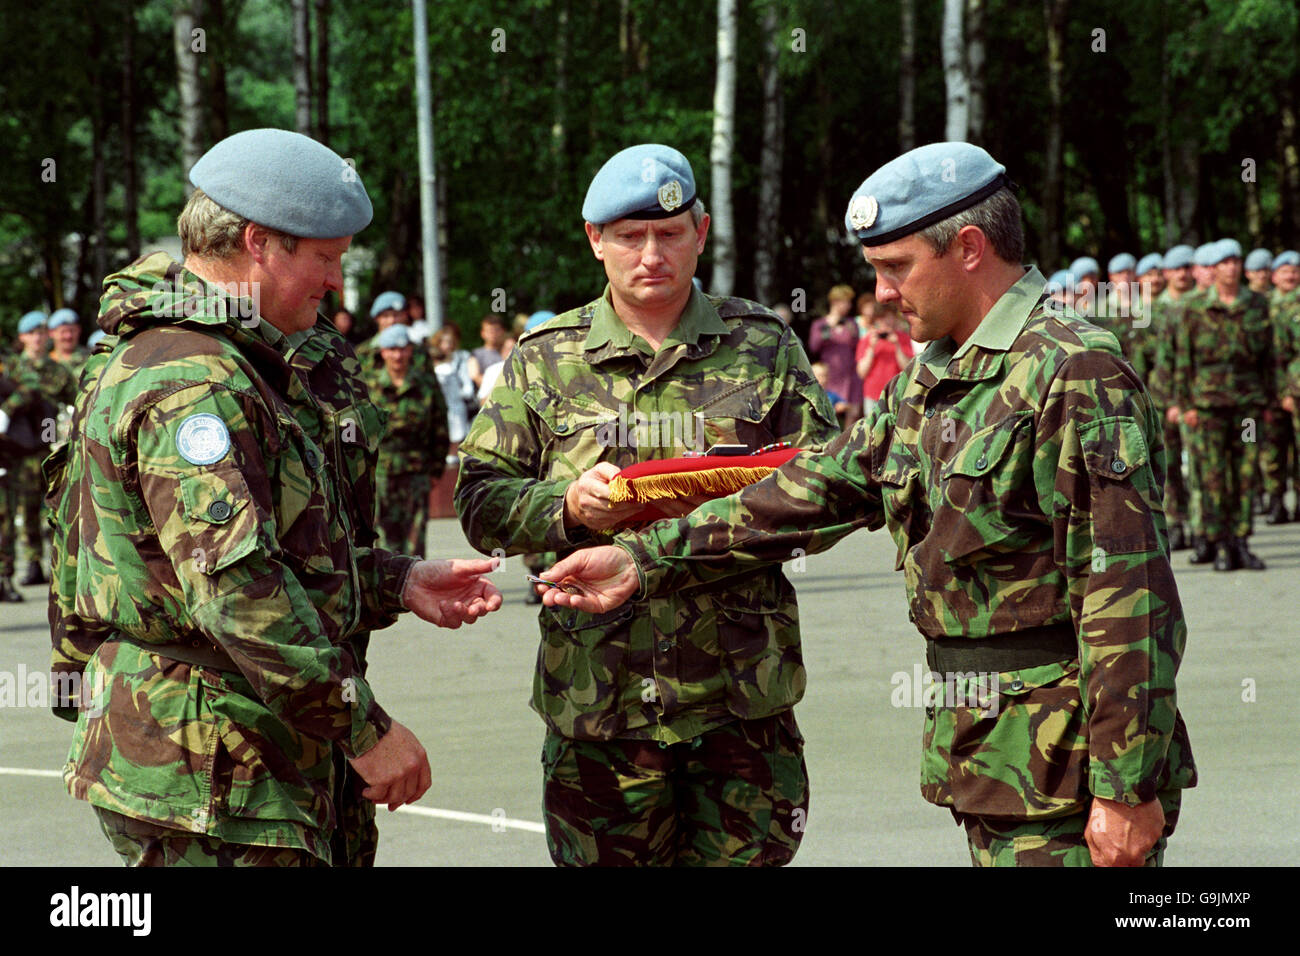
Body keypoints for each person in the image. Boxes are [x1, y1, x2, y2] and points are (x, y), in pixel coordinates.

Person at [537, 142, 1197, 868]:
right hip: (992, 753)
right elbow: (813, 488)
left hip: (1070, 766)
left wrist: (1127, 788)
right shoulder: (937, 378)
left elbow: (1126, 595)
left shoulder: (1071, 369)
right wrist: (640, 557)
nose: (881, 292)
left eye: (895, 267)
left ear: (969, 248)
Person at [48, 128, 502, 867]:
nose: (336, 284)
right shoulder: (193, 382)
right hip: (216, 772)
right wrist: (365, 730)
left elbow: (278, 545)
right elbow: (237, 589)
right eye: (325, 258)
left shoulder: (240, 362)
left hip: (249, 753)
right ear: (259, 243)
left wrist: (395, 578)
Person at [454, 142, 839, 867]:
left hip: (741, 703)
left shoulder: (762, 345)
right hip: (601, 708)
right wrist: (565, 509)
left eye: (669, 233)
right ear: (595, 241)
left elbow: (833, 491)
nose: (651, 254)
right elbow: (479, 500)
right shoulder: (546, 357)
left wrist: (717, 517)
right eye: (630, 236)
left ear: (700, 231)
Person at [1167, 239, 1273, 570]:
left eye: (1235, 261)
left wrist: (1268, 400)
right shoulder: (1195, 308)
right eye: (1223, 262)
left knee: (1244, 474)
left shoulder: (1256, 305)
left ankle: (1241, 541)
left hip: (1247, 408)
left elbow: (1268, 359)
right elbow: (1184, 361)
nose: (1230, 268)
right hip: (1208, 406)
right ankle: (1219, 543)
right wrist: (1186, 405)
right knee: (1212, 477)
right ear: (1213, 269)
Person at [364, 323, 449, 557]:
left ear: (411, 350)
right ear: (382, 352)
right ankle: (387, 590)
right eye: (391, 349)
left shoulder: (425, 384)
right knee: (382, 535)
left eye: (403, 349)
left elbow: (439, 426)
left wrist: (436, 469)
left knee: (415, 536)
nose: (398, 355)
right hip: (380, 471)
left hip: (416, 471)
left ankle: (414, 589)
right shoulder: (369, 384)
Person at [11, 311, 77, 586]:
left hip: (49, 441)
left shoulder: (58, 371)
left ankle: (58, 562)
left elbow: (74, 400)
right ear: (23, 337)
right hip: (21, 447)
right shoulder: (13, 368)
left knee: (56, 505)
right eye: (33, 333)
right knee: (27, 508)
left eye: (41, 333)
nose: (38, 338)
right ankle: (33, 562)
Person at [808, 284, 862, 428]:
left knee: (853, 414)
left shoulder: (851, 323)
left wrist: (851, 331)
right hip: (829, 377)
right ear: (835, 302)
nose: (849, 306)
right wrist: (828, 328)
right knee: (829, 414)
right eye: (846, 301)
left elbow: (857, 346)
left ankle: (850, 447)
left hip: (850, 376)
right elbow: (814, 347)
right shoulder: (819, 324)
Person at [467, 313, 509, 391]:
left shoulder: (509, 350)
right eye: (489, 331)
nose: (493, 334)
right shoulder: (476, 354)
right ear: (482, 333)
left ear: (503, 331)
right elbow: (475, 377)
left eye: (496, 330)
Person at [48, 308, 91, 379]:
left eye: (72, 331)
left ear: (79, 330)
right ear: (52, 333)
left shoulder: (91, 358)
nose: (68, 336)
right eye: (63, 332)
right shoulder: (47, 362)